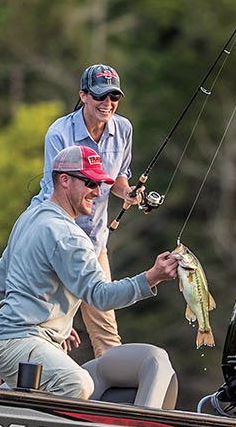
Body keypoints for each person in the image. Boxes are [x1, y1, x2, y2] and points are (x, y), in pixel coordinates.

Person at [0, 144, 180, 398]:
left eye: (99, 184)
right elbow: (100, 296)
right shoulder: (68, 235)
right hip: (19, 344)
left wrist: (54, 321)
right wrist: (152, 277)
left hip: (2, 341)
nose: (97, 192)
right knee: (78, 385)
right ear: (64, 180)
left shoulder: (30, 217)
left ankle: (5, 415)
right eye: (89, 183)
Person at [32, 63, 162, 356]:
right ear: (83, 95)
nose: (108, 104)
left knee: (106, 332)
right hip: (56, 240)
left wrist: (128, 193)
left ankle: (114, 398)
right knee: (47, 330)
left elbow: (118, 178)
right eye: (100, 96)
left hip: (95, 241)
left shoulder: (124, 129)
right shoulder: (59, 133)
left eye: (114, 97)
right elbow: (58, 191)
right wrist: (72, 250)